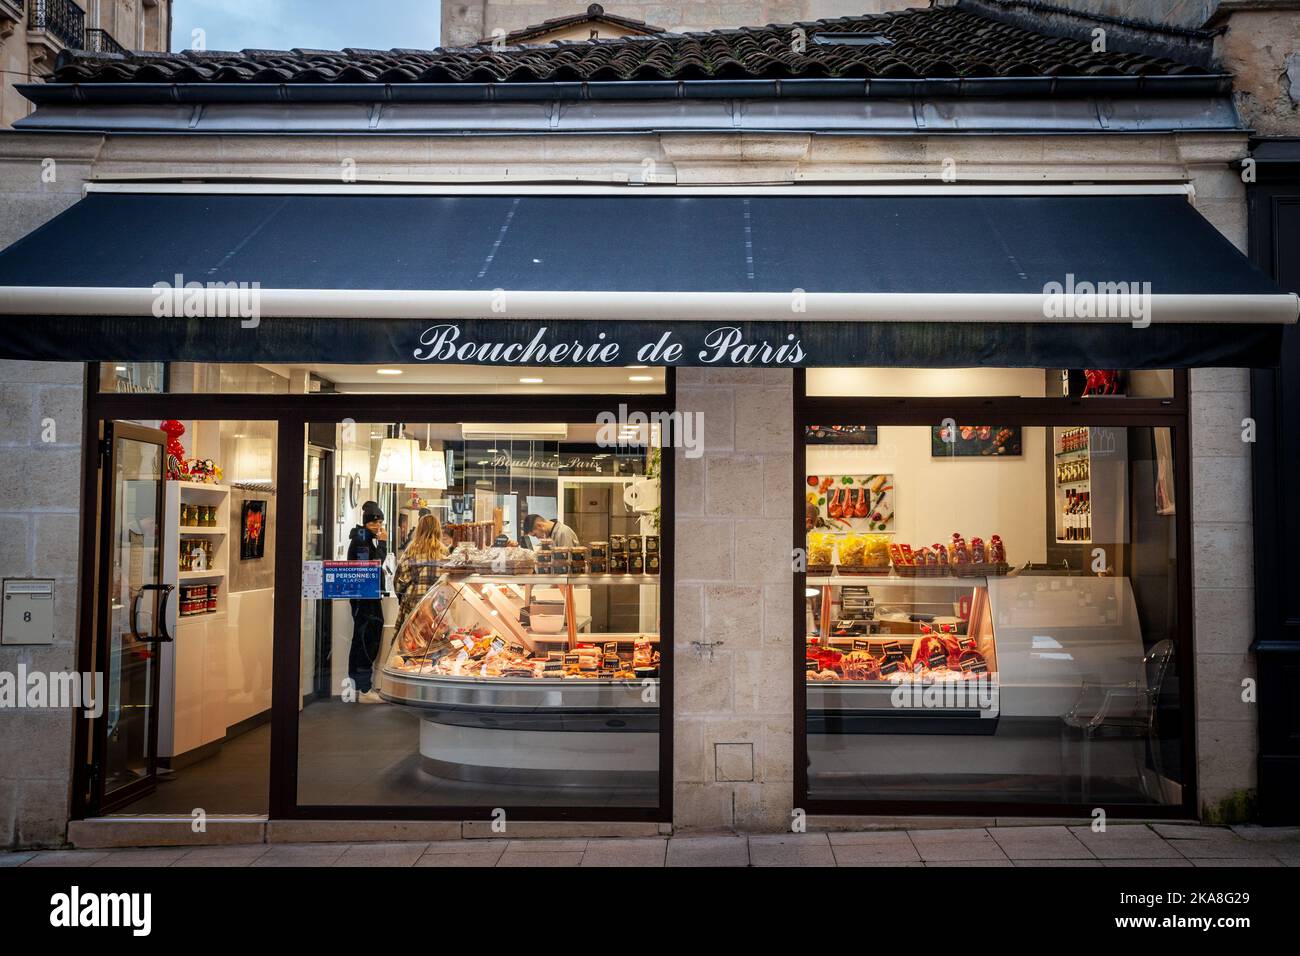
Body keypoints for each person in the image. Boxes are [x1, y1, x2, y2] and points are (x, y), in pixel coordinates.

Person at [347, 500, 388, 704]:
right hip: (366, 597)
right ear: (365, 523)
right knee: (367, 639)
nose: (377, 526)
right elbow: (371, 566)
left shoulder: (362, 537)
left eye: (379, 522)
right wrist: (382, 543)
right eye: (373, 523)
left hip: (364, 595)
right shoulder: (363, 539)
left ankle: (358, 687)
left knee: (361, 639)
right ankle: (364, 689)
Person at [394, 514, 450, 639]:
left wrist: (402, 597)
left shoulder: (411, 550)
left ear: (419, 529)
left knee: (411, 643)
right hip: (436, 606)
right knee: (433, 641)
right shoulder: (444, 551)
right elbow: (447, 582)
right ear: (437, 529)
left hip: (414, 604)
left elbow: (399, 581)